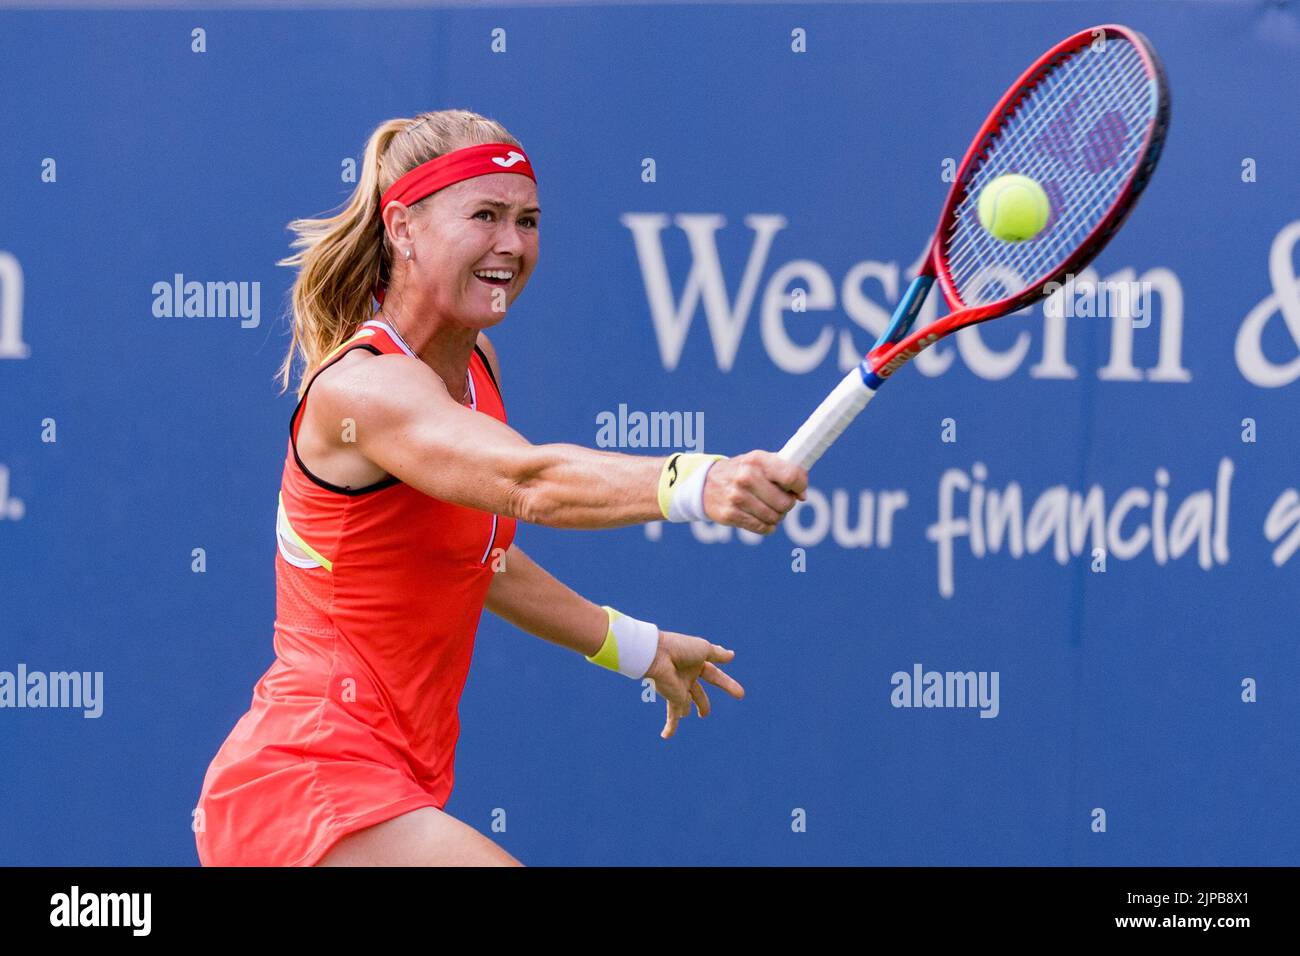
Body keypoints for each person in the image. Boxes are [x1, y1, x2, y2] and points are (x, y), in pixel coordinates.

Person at [194, 109, 808, 867]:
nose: (511, 245)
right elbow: (529, 481)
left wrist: (633, 645)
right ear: (403, 228)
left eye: (528, 220)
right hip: (307, 780)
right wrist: (694, 480)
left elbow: (478, 558)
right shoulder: (367, 391)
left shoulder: (474, 372)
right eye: (484, 216)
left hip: (385, 784)